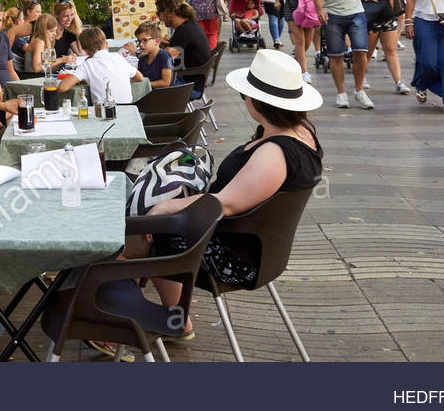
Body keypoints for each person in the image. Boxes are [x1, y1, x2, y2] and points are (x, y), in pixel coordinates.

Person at [124, 49, 323, 331]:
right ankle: (171, 318)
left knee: (130, 238)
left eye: (246, 94)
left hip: (234, 255)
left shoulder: (275, 152)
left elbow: (225, 204)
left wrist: (164, 208)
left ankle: (124, 316)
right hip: (258, 247)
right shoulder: (301, 132)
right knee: (143, 229)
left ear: (256, 100)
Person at [311, 0, 373, 109]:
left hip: (356, 12)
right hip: (333, 15)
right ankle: (341, 93)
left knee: (361, 51)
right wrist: (320, 9)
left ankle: (360, 90)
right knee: (335, 55)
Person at [362, 0, 411, 96]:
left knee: (391, 50)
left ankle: (399, 82)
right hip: (372, 19)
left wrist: (396, 16)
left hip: (388, 17)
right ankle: (362, 77)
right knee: (368, 52)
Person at [59, 28, 142, 103]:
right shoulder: (119, 58)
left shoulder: (88, 64)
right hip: (127, 109)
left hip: (103, 110)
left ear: (85, 51)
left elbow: (62, 87)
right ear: (106, 44)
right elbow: (140, 78)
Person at [154, 0, 210, 94]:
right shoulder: (190, 25)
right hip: (193, 80)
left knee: (146, 79)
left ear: (168, 12)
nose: (159, 18)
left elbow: (164, 59)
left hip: (187, 84)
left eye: (159, 13)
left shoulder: (183, 31)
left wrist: (146, 50)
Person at [133, 20, 174, 88]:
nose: (140, 44)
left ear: (157, 41)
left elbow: (166, 82)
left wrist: (145, 84)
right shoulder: (142, 60)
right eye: (139, 41)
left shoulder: (164, 56)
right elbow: (140, 79)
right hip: (149, 93)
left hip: (164, 94)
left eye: (145, 40)